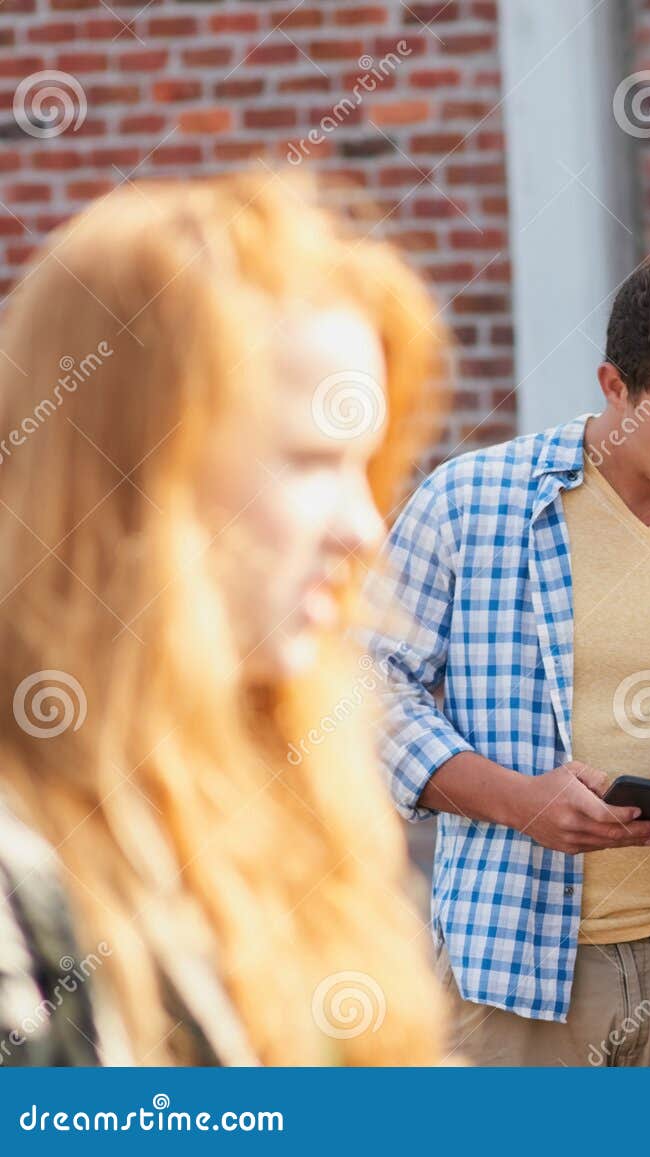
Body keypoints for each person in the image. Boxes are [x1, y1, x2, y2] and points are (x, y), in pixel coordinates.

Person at [0, 173, 446, 1064]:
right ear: (130, 480)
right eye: (313, 461)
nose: (365, 530)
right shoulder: (23, 880)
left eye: (369, 466)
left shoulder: (296, 786)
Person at [367, 250, 650, 1066]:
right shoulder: (469, 505)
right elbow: (366, 690)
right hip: (513, 965)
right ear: (614, 386)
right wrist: (519, 801)